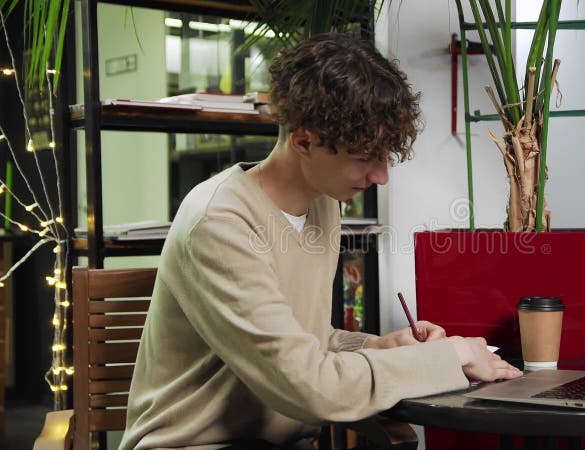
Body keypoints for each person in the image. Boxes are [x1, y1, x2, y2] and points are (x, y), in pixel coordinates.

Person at [119, 33, 522, 450]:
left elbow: (303, 341)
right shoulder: (220, 222)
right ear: (304, 141)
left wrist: (380, 345)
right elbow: (310, 387)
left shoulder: (322, 205)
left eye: (386, 157)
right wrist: (452, 356)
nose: (382, 176)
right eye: (366, 158)